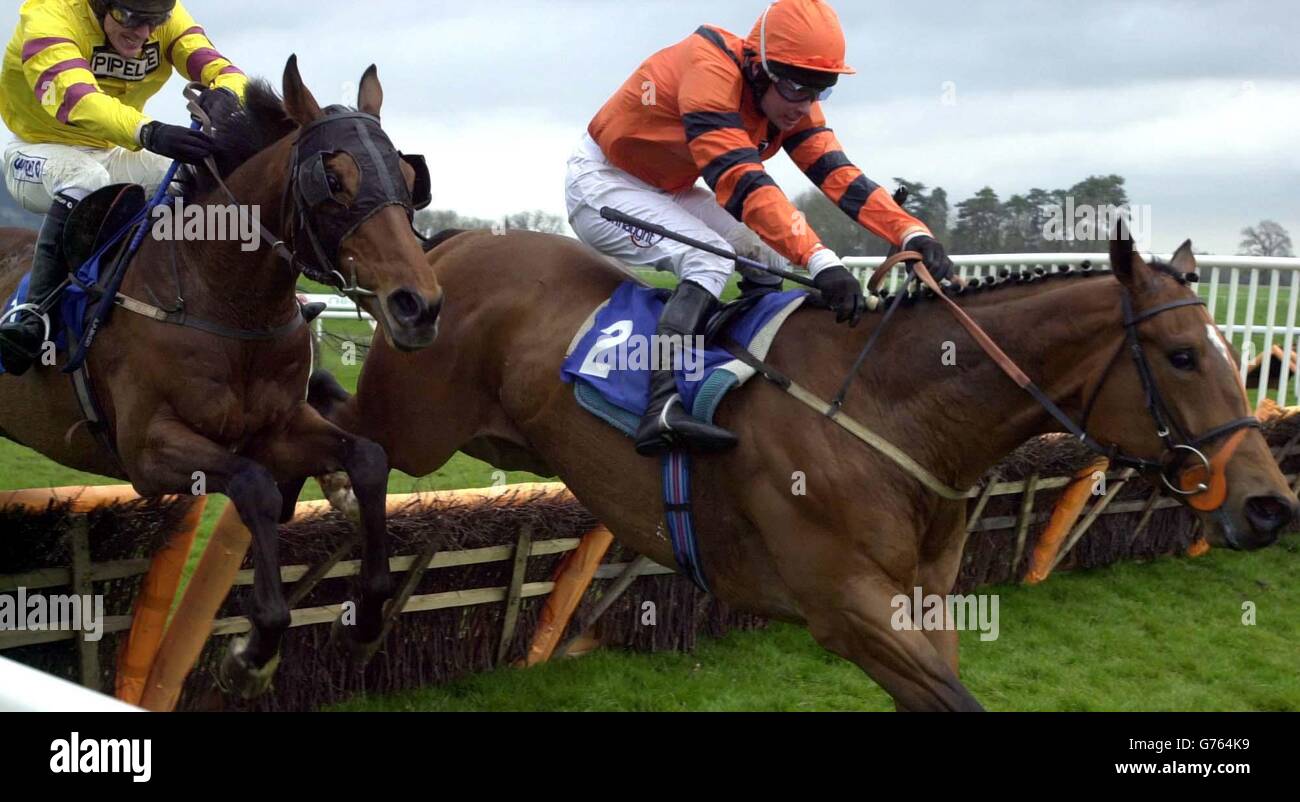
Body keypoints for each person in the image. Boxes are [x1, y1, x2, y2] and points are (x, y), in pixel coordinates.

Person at [565, 0, 956, 456]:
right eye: (796, 88)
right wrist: (820, 260)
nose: (805, 106)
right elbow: (743, 183)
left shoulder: (788, 96)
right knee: (709, 258)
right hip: (603, 185)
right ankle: (661, 406)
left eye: (820, 90)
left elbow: (839, 175)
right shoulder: (708, 72)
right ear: (758, 67)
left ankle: (750, 371)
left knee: (764, 253)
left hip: (664, 187)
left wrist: (911, 233)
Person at [0, 0, 245, 375]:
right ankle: (32, 316)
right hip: (37, 151)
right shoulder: (48, 17)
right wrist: (149, 131)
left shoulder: (166, 16)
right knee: (86, 179)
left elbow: (223, 69)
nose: (143, 33)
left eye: (154, 21)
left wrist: (227, 93)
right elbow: (78, 100)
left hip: (109, 148)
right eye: (130, 18)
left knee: (189, 176)